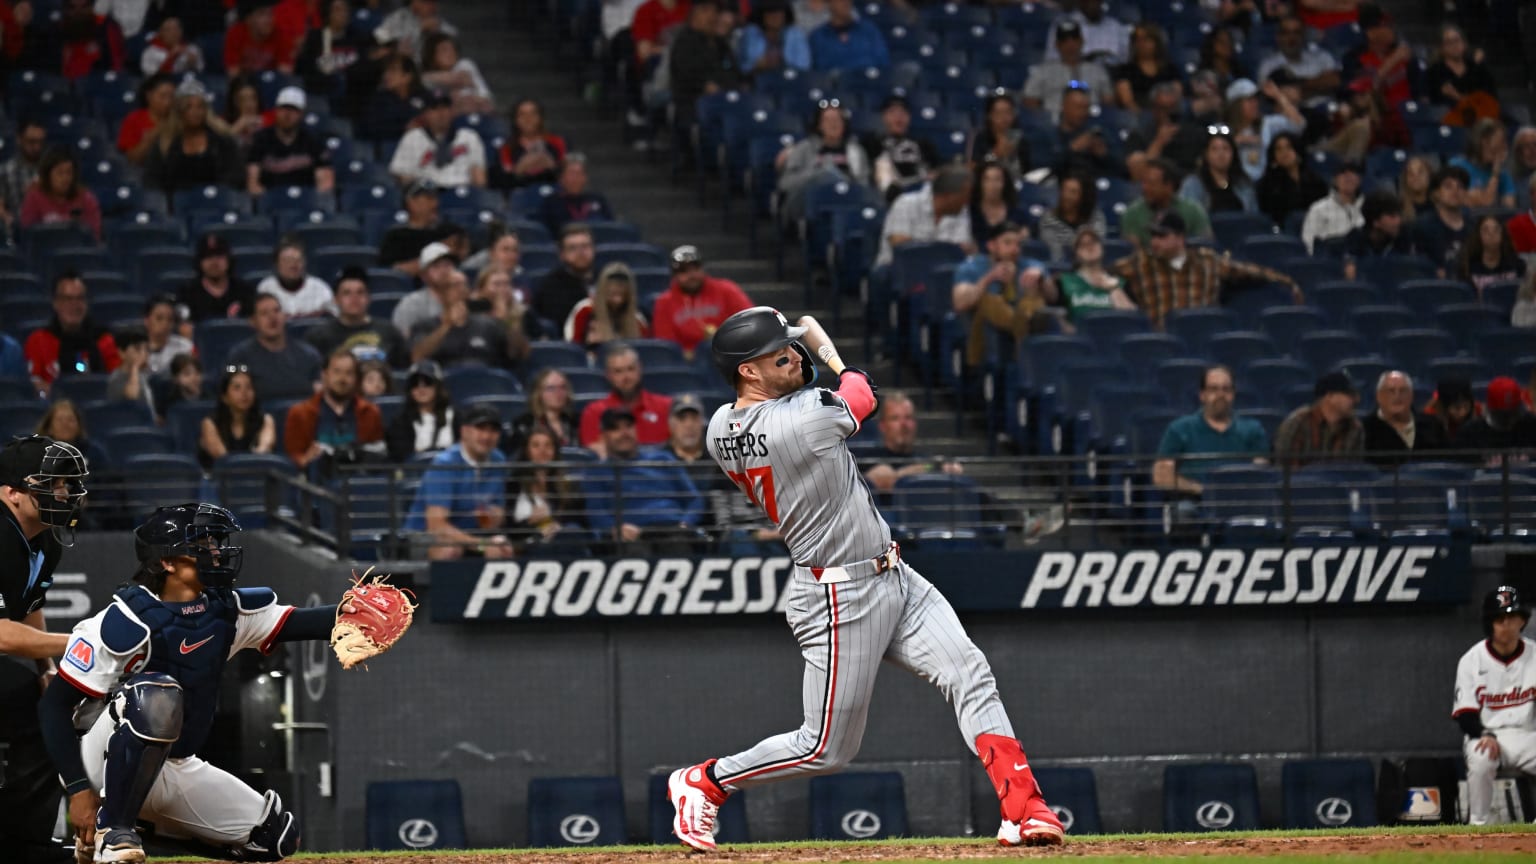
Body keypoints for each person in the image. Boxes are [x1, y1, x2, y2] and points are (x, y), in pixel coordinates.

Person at [667, 307, 1065, 852]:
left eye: (791, 344)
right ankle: (704, 782)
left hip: (892, 573)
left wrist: (808, 365)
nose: (793, 353)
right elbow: (862, 393)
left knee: (970, 671)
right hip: (837, 595)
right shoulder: (803, 419)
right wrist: (842, 367)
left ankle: (1024, 807)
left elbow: (817, 390)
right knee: (825, 749)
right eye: (778, 352)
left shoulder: (719, 428)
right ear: (749, 373)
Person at [37, 503, 338, 862]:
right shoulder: (122, 621)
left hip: (174, 762)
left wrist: (353, 614)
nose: (215, 551)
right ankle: (112, 829)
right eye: (201, 543)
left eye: (215, 541)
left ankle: (141, 829)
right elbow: (54, 706)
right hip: (101, 759)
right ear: (166, 562)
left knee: (274, 838)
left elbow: (297, 623)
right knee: (155, 694)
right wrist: (78, 790)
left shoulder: (225, 612)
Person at [0, 436, 89, 864]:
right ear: (10, 492)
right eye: (50, 484)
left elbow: (30, 606)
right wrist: (79, 642)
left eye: (65, 485)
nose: (63, 494)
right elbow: (0, 635)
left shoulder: (45, 541)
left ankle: (23, 841)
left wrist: (47, 669)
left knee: (49, 704)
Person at [1113, 210, 1299, 331]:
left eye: (1161, 236)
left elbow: (1248, 270)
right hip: (1162, 341)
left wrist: (1288, 282)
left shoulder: (1206, 260)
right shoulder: (1141, 262)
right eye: (1153, 236)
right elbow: (1103, 274)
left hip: (1204, 337)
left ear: (1180, 238)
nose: (1154, 242)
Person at [1453, 586, 1536, 827]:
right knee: (1481, 759)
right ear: (1490, 623)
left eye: (1513, 617)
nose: (1507, 625)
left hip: (1527, 735)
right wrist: (1483, 734)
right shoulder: (1472, 660)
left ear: (1522, 620)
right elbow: (1465, 714)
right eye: (1500, 619)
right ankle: (1478, 826)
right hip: (1487, 735)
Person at [582, 405, 705, 555]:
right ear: (603, 436)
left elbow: (694, 499)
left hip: (671, 528)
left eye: (628, 426)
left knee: (677, 546)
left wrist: (685, 523)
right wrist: (615, 528)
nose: (624, 433)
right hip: (631, 534)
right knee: (635, 553)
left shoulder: (663, 459)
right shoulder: (597, 472)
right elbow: (596, 512)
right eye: (615, 428)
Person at [403, 403, 513, 559]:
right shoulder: (445, 464)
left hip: (470, 534)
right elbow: (437, 526)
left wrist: (494, 519)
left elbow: (497, 514)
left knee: (503, 548)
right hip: (425, 537)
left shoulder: (498, 460)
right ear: (465, 431)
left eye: (493, 430)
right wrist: (481, 545)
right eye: (480, 428)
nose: (486, 436)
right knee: (450, 549)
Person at [1153, 365, 1269, 497]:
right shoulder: (1179, 428)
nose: (1220, 395)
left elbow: (1262, 473)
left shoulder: (1253, 429)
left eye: (1226, 389)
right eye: (1213, 389)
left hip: (1241, 501)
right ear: (1202, 395)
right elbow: (1161, 477)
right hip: (1194, 502)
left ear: (1233, 394)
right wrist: (1201, 489)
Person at [952, 221, 1055, 366]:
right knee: (988, 300)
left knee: (1035, 300)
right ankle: (1021, 329)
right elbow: (959, 303)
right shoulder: (971, 267)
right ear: (991, 246)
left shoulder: (1031, 265)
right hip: (989, 326)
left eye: (1018, 244)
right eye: (1008, 243)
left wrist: (1042, 280)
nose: (1015, 249)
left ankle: (1021, 330)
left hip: (1024, 317)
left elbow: (1053, 297)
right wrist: (988, 279)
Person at [284, 349, 387, 474]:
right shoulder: (300, 413)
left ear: (356, 379)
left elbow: (377, 457)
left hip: (357, 482)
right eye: (336, 372)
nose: (342, 379)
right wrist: (306, 459)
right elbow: (293, 458)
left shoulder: (370, 412)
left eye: (349, 373)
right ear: (324, 375)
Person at [24, 272, 122, 394]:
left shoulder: (104, 340)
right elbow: (34, 383)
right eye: (67, 299)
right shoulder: (38, 341)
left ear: (86, 303)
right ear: (55, 303)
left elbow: (118, 382)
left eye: (80, 298)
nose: (74, 305)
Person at [775, 100, 870, 224]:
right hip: (807, 203)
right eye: (828, 120)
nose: (833, 124)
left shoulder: (856, 151)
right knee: (827, 175)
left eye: (837, 120)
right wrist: (818, 174)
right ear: (819, 125)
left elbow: (863, 186)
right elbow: (785, 184)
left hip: (845, 204)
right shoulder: (804, 148)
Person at [652, 245, 754, 360]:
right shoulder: (664, 302)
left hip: (731, 355)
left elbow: (749, 322)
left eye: (695, 268)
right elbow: (667, 345)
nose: (691, 275)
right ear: (674, 275)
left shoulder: (727, 290)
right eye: (683, 271)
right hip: (688, 363)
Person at [144, 78, 243, 196]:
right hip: (177, 209)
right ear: (179, 110)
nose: (195, 112)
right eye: (189, 107)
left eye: (200, 107)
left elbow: (237, 176)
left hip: (219, 202)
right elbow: (152, 181)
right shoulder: (165, 144)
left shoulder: (223, 140)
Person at [859, 390, 963, 496]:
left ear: (915, 424)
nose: (903, 424)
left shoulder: (924, 458)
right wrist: (930, 468)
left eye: (908, 418)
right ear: (882, 426)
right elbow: (885, 481)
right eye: (895, 418)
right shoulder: (868, 461)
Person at [306, 267, 412, 369]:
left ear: (368, 298)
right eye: (347, 293)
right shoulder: (318, 337)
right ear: (336, 300)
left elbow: (402, 370)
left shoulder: (389, 332)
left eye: (360, 292)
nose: (354, 298)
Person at [226, 293, 324, 401]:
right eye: (264, 313)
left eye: (277, 311)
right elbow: (230, 382)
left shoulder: (309, 355)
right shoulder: (240, 357)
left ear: (285, 316)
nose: (272, 317)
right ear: (253, 322)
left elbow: (320, 391)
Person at [409, 269, 513, 368]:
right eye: (455, 285)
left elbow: (517, 354)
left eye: (464, 284)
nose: (461, 289)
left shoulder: (487, 324)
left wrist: (507, 323)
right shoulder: (425, 326)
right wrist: (446, 326)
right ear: (442, 294)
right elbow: (417, 357)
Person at [578, 343, 673, 451]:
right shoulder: (593, 412)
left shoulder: (666, 406)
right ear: (608, 375)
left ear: (640, 369)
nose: (626, 377)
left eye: (630, 369)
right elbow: (594, 454)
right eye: (618, 371)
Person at [876, 164, 974, 267]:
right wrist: (946, 250)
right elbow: (901, 247)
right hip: (897, 272)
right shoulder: (905, 204)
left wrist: (924, 248)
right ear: (949, 196)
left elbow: (964, 249)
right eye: (965, 196)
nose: (967, 201)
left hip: (941, 273)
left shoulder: (961, 211)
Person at [668, 0, 742, 134]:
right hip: (694, 106)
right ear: (693, 14)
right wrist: (708, 86)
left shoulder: (720, 44)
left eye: (714, 11)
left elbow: (734, 73)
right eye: (705, 10)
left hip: (727, 101)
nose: (712, 16)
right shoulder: (685, 42)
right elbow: (689, 77)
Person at [245, 86, 334, 197]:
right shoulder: (261, 139)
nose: (287, 114)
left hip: (306, 201)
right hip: (271, 202)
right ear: (276, 111)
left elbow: (325, 184)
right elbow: (253, 184)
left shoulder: (313, 140)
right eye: (284, 108)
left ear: (301, 114)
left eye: (293, 110)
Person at [389, 89, 487, 188]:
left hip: (461, 192)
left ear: (452, 111)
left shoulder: (469, 137)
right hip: (427, 194)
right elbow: (402, 175)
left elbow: (479, 178)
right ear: (425, 114)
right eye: (434, 108)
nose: (441, 113)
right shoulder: (412, 138)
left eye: (445, 108)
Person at [1023, 20, 1112, 121]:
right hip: (1054, 126)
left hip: (1091, 123)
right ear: (1057, 45)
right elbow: (1030, 102)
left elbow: (1108, 103)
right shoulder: (1042, 72)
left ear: (1081, 41)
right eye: (1064, 41)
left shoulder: (1098, 71)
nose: (1070, 45)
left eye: (1074, 39)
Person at [1273, 371, 1365, 467]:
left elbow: (1353, 472)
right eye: (1350, 394)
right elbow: (1286, 472)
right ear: (1330, 396)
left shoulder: (1355, 427)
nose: (1357, 400)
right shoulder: (1298, 423)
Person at [1361, 370, 1450, 468]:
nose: (1397, 396)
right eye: (1391, 391)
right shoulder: (1364, 429)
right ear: (1379, 396)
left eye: (1403, 391)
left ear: (1411, 396)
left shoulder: (1433, 425)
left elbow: (1446, 464)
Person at [508, 427, 579, 548]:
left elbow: (578, 518)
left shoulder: (568, 486)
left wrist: (557, 524)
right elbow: (508, 528)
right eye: (536, 445)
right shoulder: (513, 484)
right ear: (527, 451)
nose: (542, 450)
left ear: (555, 451)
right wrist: (530, 523)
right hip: (528, 546)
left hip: (560, 543)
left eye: (548, 445)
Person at [1120, 158, 1213, 250]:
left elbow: (1205, 245)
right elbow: (1132, 254)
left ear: (1169, 186)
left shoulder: (1193, 211)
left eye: (1151, 184)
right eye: (1144, 182)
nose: (1145, 188)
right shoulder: (1132, 214)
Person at [862, 93, 939, 205]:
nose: (898, 117)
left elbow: (936, 168)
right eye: (892, 112)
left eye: (903, 113)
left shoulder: (923, 143)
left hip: (920, 190)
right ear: (884, 117)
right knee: (882, 162)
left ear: (909, 117)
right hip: (890, 193)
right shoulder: (873, 142)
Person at [198, 365, 277, 470]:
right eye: (237, 388)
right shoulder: (209, 423)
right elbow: (224, 460)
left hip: (256, 478)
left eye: (249, 387)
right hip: (221, 481)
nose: (244, 393)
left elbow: (262, 453)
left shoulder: (266, 420)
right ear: (224, 397)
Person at [177, 234, 258, 336]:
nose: (214, 262)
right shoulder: (187, 293)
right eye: (208, 257)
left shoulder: (245, 291)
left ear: (229, 260)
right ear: (199, 262)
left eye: (219, 256)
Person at [528, 224, 597, 339]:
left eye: (585, 246)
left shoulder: (605, 279)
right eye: (572, 248)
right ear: (562, 254)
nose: (580, 253)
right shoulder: (549, 287)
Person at [19, 146, 101, 241]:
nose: (65, 178)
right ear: (48, 175)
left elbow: (95, 236)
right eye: (60, 172)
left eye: (69, 172)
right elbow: (28, 235)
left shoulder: (86, 198)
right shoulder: (34, 198)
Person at [1255, 15, 1341, 106]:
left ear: (1303, 35)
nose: (1292, 38)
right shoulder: (1268, 65)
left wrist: (1300, 86)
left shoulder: (1322, 56)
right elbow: (1274, 97)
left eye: (1296, 32)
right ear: (1278, 37)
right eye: (1286, 33)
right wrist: (1319, 84)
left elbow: (1335, 81)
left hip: (1326, 110)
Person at [378, 179, 460, 274]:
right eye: (429, 198)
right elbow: (390, 271)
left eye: (436, 198)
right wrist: (438, 255)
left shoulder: (449, 232)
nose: (436, 204)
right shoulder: (396, 236)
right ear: (411, 202)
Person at [1058, 229, 1136, 323]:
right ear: (1076, 254)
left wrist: (1113, 289)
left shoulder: (1120, 282)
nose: (1090, 247)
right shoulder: (1065, 281)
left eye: (1093, 242)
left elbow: (1131, 318)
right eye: (1083, 245)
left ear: (1102, 248)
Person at [1255, 131, 1328, 230]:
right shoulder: (1266, 185)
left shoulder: (1316, 181)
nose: (1284, 152)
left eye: (1289, 147)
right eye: (1278, 149)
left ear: (1297, 150)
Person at [566, 262, 650, 347]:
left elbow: (644, 352)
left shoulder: (638, 321)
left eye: (621, 292)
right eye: (613, 292)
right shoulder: (584, 310)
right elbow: (573, 350)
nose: (617, 298)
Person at [385, 359, 455, 462]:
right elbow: (400, 459)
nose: (421, 388)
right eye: (415, 383)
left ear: (438, 386)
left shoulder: (455, 418)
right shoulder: (400, 423)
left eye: (427, 382)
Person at [492, 98, 567, 189]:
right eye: (522, 115)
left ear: (540, 118)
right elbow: (506, 179)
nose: (528, 119)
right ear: (515, 120)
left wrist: (550, 164)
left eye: (533, 114)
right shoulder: (507, 147)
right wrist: (522, 166)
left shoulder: (556, 142)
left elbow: (566, 175)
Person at [1452, 376, 1536, 457]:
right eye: (1502, 416)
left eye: (1512, 414)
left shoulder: (1531, 426)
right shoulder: (1470, 433)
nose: (1508, 420)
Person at [1178, 132, 1258, 217]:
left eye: (1226, 148)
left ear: (1233, 154)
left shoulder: (1244, 183)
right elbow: (1187, 217)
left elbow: (1254, 216)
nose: (1221, 154)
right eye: (1214, 149)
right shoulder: (1193, 184)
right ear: (1206, 154)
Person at [295, 0, 364, 96]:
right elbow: (306, 70)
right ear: (328, 13)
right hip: (321, 93)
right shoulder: (316, 37)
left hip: (351, 94)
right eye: (337, 10)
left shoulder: (356, 37)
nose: (343, 14)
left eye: (345, 10)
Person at [1424, 24, 1497, 113]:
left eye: (1457, 40)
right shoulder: (1434, 73)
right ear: (1441, 48)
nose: (1454, 45)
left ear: (1464, 43)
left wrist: (1456, 96)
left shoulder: (1477, 69)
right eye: (1449, 42)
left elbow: (1490, 99)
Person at [1414, 165, 1472, 277]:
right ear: (1437, 193)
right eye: (1448, 186)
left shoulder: (1474, 227)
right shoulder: (1423, 227)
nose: (1455, 191)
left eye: (1460, 187)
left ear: (1465, 193)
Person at [257, 239, 337, 319]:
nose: (293, 265)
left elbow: (334, 319)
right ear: (276, 265)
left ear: (305, 263)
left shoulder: (320, 288)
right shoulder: (266, 288)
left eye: (298, 260)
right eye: (287, 260)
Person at [1036, 173, 1107, 265]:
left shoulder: (1096, 216)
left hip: (1092, 266)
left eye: (1073, 192)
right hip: (1063, 269)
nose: (1066, 196)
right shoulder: (1048, 219)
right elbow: (1055, 251)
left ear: (1083, 196)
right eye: (1064, 190)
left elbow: (1097, 244)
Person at [537, 153, 615, 236]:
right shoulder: (550, 202)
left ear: (585, 178)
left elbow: (610, 228)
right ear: (561, 178)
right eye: (572, 174)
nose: (576, 179)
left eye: (580, 173)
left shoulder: (598, 199)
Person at [392, 241, 459, 337]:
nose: (444, 270)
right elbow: (404, 342)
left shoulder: (464, 298)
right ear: (424, 275)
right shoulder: (411, 304)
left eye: (447, 264)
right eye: (436, 266)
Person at [1451, 118, 1518, 211]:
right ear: (1484, 141)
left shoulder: (1503, 174)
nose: (1505, 146)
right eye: (1502, 140)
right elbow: (1485, 203)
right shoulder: (1457, 165)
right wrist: (1495, 174)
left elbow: (1509, 209)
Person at [1112, 22, 1180, 112]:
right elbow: (1127, 102)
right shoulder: (1125, 71)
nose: (1141, 44)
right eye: (1137, 40)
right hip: (1139, 117)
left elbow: (1177, 95)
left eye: (1146, 40)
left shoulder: (1170, 69)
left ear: (1156, 43)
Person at [420, 32, 492, 116]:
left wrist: (427, 77)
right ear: (432, 55)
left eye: (452, 49)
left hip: (480, 112)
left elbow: (459, 79)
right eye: (444, 50)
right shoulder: (428, 79)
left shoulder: (464, 64)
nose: (451, 53)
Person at [1301, 161, 1364, 253]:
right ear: (1335, 180)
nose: (1348, 177)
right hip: (1328, 261)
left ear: (1359, 180)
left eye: (1353, 173)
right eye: (1343, 173)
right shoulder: (1318, 209)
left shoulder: (1369, 207)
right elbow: (1308, 244)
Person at [363, 54, 429, 143]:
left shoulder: (424, 96)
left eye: (393, 70)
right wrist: (403, 128)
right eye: (385, 71)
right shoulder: (379, 99)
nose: (386, 75)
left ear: (408, 76)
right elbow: (370, 128)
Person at [807, 0, 887, 72]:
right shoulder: (819, 36)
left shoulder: (868, 30)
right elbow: (821, 70)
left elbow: (883, 61)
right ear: (830, 3)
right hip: (837, 86)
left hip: (870, 83)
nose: (846, 2)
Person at [1343, 189, 1414, 269]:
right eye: (1392, 217)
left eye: (1399, 215)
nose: (1398, 221)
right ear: (1376, 222)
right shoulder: (1355, 239)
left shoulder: (1403, 235)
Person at [737, 0, 809, 77]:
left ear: (785, 14)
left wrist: (783, 63)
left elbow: (804, 67)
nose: (775, 16)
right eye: (770, 12)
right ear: (762, 15)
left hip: (790, 81)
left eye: (779, 12)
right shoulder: (750, 33)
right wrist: (756, 66)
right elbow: (742, 67)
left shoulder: (795, 34)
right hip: (757, 80)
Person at [1459, 215, 1527, 296]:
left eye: (1496, 230)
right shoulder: (1468, 268)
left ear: (1502, 234)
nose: (1491, 234)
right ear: (1478, 236)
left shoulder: (1517, 265)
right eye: (1486, 230)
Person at [1044, 0, 1128, 66]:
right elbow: (1052, 61)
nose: (1092, 3)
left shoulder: (1116, 27)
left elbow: (1125, 60)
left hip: (1111, 80)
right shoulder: (1062, 24)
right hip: (1073, 78)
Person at [224, 0, 296, 74]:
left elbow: (285, 72)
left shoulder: (281, 35)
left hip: (272, 81)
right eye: (261, 14)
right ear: (248, 19)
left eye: (270, 14)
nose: (268, 20)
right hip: (244, 81)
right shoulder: (236, 33)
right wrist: (242, 84)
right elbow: (233, 71)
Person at [969, 94, 1030, 181]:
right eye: (999, 113)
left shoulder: (1021, 139)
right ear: (990, 115)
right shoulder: (980, 137)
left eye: (1008, 112)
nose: (1004, 118)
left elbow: (1027, 172)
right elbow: (973, 169)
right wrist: (995, 154)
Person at [375, 0, 457, 61]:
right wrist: (419, 29)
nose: (432, 6)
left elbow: (454, 34)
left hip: (429, 66)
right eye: (427, 2)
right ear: (415, 2)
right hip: (403, 65)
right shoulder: (398, 17)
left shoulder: (436, 21)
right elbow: (379, 37)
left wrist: (438, 29)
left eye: (433, 3)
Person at [968, 160, 1023, 250]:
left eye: (997, 179)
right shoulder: (970, 212)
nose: (992, 185)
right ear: (979, 183)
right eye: (987, 180)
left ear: (1005, 183)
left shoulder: (1018, 213)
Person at [2, 119, 47, 224]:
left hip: (51, 230)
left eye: (40, 142)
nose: (37, 147)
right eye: (31, 142)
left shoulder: (53, 170)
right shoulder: (5, 171)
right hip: (18, 231)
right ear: (19, 139)